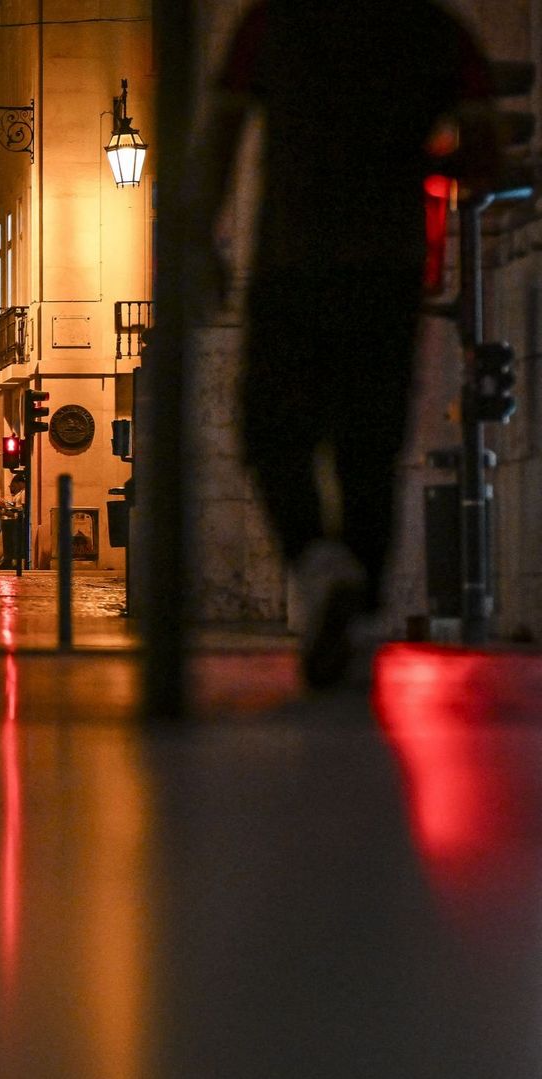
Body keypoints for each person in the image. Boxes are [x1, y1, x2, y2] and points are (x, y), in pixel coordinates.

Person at [190, 0, 498, 688]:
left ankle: (320, 563)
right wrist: (414, 157)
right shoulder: (440, 33)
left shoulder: (270, 24)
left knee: (270, 433)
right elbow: (483, 156)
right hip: (388, 268)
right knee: (371, 448)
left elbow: (220, 134)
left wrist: (199, 236)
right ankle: (356, 617)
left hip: (289, 262)